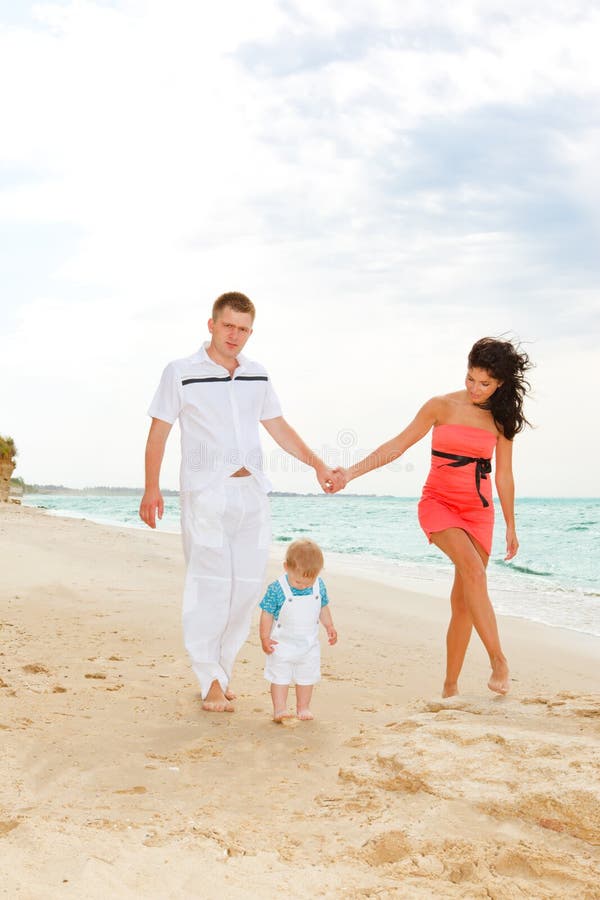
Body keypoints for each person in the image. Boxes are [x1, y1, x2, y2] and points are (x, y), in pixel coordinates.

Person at [139, 292, 336, 713]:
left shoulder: (257, 375)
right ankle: (208, 678)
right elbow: (159, 433)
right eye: (228, 325)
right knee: (209, 588)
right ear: (211, 325)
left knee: (244, 591)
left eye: (243, 329)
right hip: (206, 494)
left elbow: (278, 426)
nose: (235, 335)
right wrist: (151, 487)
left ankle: (221, 673)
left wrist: (317, 464)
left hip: (252, 495)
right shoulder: (181, 372)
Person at [331, 337, 532, 698]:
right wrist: (350, 473)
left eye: (485, 383)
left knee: (464, 604)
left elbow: (504, 475)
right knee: (474, 572)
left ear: (500, 383)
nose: (475, 388)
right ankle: (499, 661)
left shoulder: (501, 419)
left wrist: (511, 525)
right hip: (438, 504)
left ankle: (450, 688)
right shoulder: (440, 406)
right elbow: (397, 445)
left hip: (478, 512)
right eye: (470, 379)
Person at [259, 539, 337, 721]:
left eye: (308, 582)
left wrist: (329, 626)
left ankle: (303, 707)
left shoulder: (318, 586)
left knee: (306, 677)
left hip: (308, 645)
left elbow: (322, 607)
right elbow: (266, 614)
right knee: (280, 678)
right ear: (286, 567)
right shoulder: (277, 589)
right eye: (298, 581)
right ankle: (280, 709)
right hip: (281, 644)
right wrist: (264, 637)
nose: (303, 586)